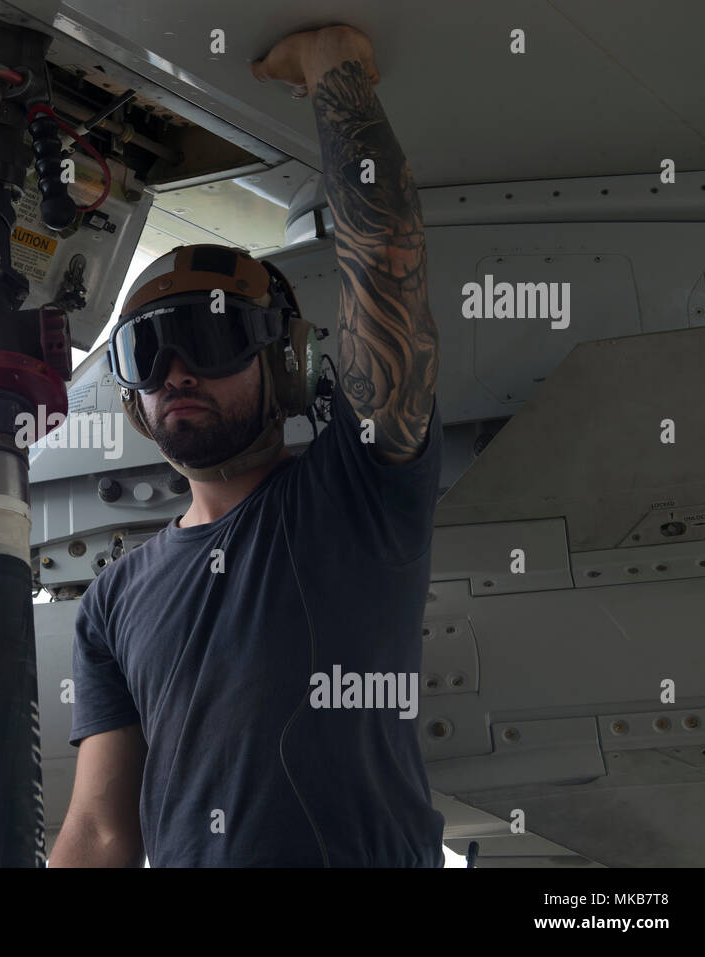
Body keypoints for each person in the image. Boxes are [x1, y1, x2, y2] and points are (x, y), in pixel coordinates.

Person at [47, 24, 444, 867]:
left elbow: (389, 260)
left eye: (212, 337)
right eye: (148, 352)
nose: (177, 371)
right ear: (133, 401)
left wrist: (335, 70)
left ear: (290, 363)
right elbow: (99, 831)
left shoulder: (359, 489)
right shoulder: (110, 603)